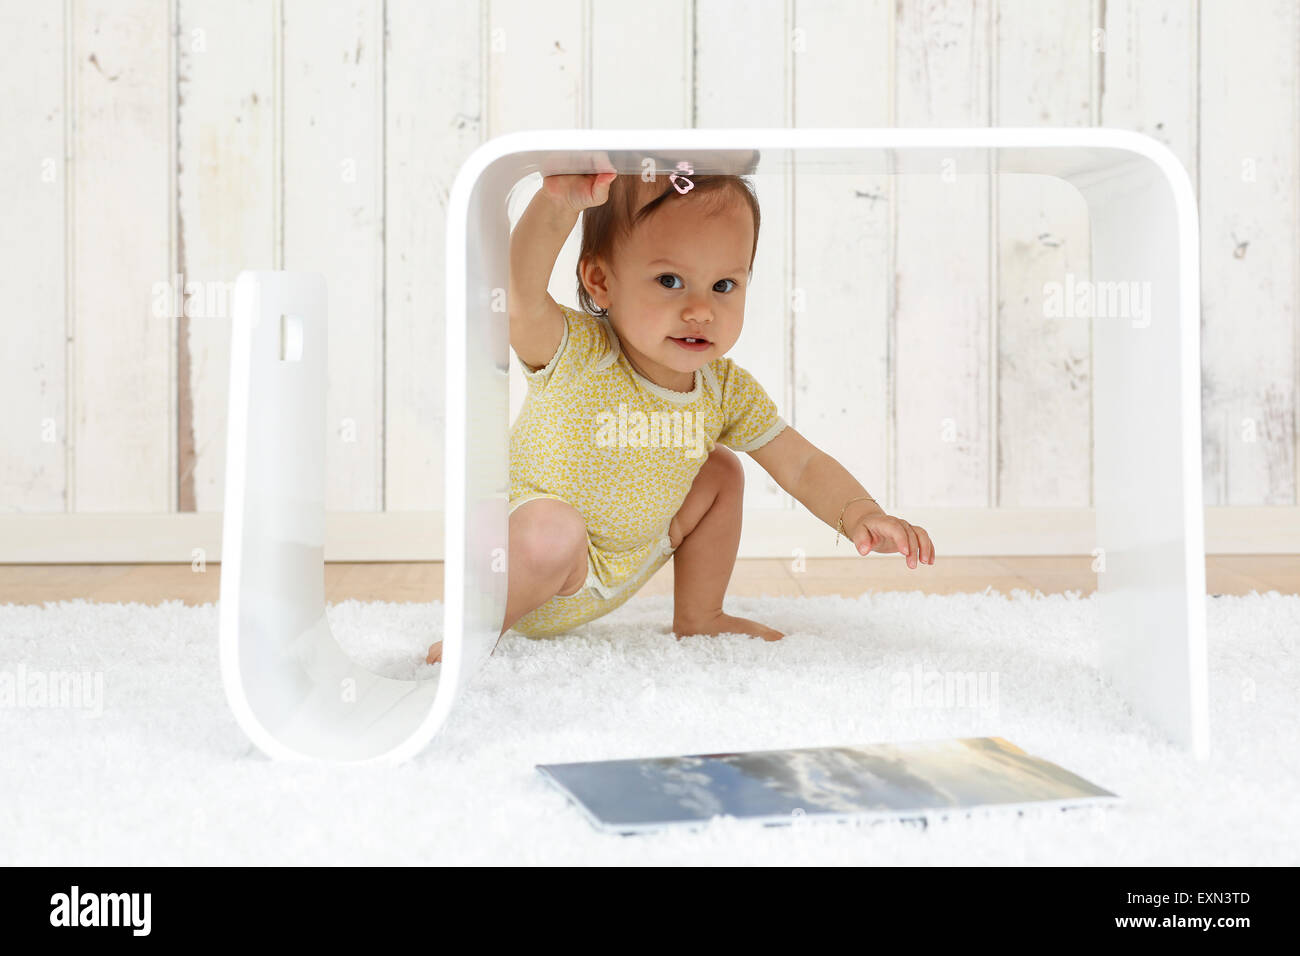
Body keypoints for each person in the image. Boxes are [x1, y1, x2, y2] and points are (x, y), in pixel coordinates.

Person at [427, 164, 933, 664]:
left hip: (627, 567)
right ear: (600, 280)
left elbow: (799, 464)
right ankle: (473, 633)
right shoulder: (577, 350)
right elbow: (517, 303)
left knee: (720, 469)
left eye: (724, 286)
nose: (700, 310)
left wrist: (862, 514)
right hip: (530, 566)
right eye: (670, 280)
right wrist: (558, 204)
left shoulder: (723, 388)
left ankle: (701, 616)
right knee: (552, 529)